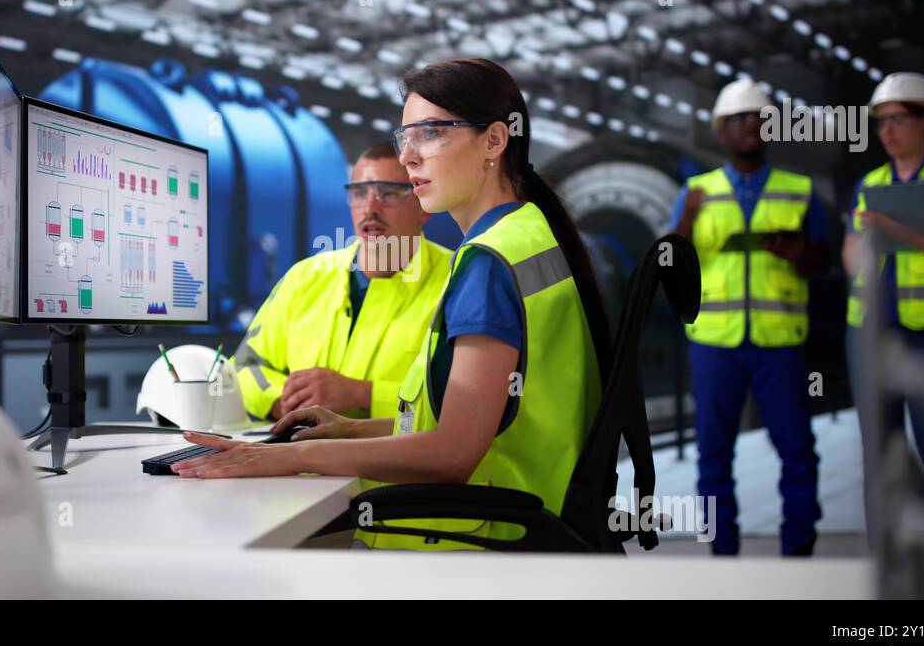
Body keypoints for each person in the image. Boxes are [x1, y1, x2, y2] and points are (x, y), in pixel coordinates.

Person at [175, 58, 614, 552]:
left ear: (494, 140)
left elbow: (452, 454)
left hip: (485, 539)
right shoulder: (529, 235)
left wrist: (283, 459)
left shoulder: (488, 262)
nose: (408, 157)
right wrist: (353, 430)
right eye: (406, 137)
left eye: (430, 134)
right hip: (533, 522)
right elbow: (490, 420)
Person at [669, 79, 829, 556]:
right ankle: (724, 554)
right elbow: (672, 259)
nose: (750, 127)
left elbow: (823, 261)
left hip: (778, 341)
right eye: (739, 120)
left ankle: (798, 553)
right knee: (714, 455)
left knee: (797, 451)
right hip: (715, 341)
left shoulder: (799, 191)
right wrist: (687, 220)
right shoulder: (697, 192)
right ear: (721, 132)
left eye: (758, 118)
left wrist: (799, 252)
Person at [231, 142, 451, 420]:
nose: (370, 208)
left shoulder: (457, 282)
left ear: (424, 206)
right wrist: (283, 402)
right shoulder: (304, 278)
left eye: (388, 193)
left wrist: (363, 395)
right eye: (359, 193)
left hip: (396, 463)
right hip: (299, 459)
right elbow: (244, 368)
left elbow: (470, 404)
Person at [843, 72, 924, 495]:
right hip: (872, 332)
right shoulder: (869, 185)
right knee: (879, 454)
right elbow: (849, 259)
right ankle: (885, 555)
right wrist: (866, 241)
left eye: (899, 119)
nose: (888, 130)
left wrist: (898, 231)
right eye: (881, 121)